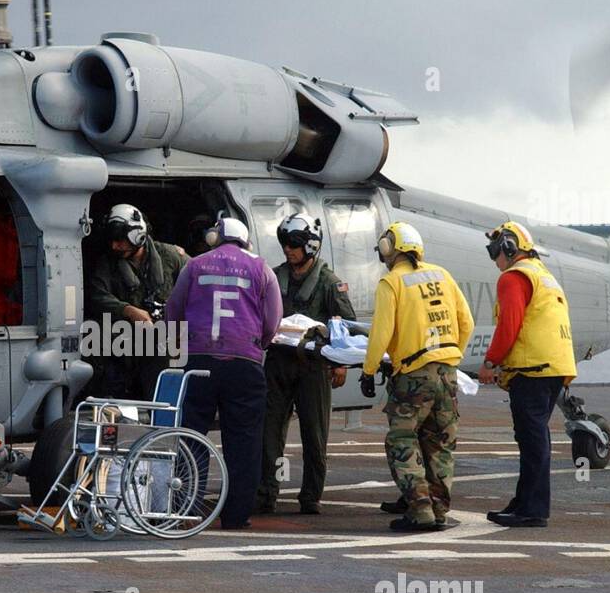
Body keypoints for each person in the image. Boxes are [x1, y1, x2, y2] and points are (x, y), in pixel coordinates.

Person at [166, 216, 282, 531]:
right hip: (244, 365)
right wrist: (259, 346)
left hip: (200, 360)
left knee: (191, 436)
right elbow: (272, 322)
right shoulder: (262, 269)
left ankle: (185, 507)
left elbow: (173, 311)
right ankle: (235, 516)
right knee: (244, 442)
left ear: (216, 236)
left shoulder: (195, 265)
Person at [361, 221, 474, 532]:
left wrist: (368, 370)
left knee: (402, 439)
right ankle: (439, 511)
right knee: (440, 443)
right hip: (448, 372)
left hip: (413, 375)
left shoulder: (391, 282)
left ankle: (420, 510)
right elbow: (467, 323)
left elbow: (381, 333)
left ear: (388, 248)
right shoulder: (443, 275)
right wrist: (450, 355)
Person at [477, 221, 576, 528]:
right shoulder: (544, 276)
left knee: (532, 441)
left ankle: (532, 510)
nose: (495, 259)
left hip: (532, 369)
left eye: (495, 251)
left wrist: (490, 363)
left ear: (508, 247)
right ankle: (523, 502)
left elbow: (510, 325)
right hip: (555, 368)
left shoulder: (514, 277)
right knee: (534, 437)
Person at [256, 212, 356, 515]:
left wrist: (339, 364)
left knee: (314, 434)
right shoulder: (274, 277)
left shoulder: (329, 284)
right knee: (270, 433)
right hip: (278, 364)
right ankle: (267, 493)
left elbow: (346, 326)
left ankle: (311, 495)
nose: (288, 249)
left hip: (313, 366)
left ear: (310, 245)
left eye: (295, 243)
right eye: (286, 243)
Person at [85, 203, 188, 399]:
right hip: (125, 339)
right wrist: (128, 311)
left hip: (164, 339)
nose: (114, 246)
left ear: (137, 235)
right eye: (112, 241)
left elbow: (198, 282)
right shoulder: (107, 264)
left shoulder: (170, 256)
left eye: (120, 241)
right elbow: (97, 295)